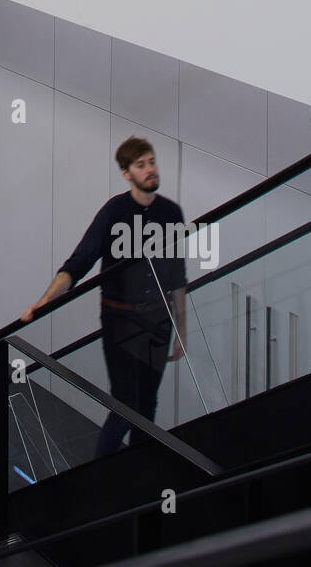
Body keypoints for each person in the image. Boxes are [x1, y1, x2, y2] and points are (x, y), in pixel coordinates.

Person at [21, 137, 188, 458]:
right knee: (126, 403)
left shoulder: (171, 212)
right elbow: (79, 261)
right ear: (126, 173)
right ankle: (100, 474)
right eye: (141, 165)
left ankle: (139, 472)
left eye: (152, 162)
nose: (150, 170)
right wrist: (44, 302)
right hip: (120, 320)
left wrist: (181, 327)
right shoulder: (114, 212)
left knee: (149, 401)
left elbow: (177, 274)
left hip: (158, 320)